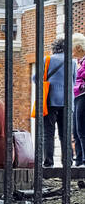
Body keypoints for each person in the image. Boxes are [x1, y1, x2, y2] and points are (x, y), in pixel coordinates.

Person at [41, 36, 71, 167]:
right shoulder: (72, 62)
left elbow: (37, 78)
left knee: (48, 132)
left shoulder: (47, 60)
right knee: (65, 134)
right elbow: (74, 81)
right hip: (67, 102)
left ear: (54, 48)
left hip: (49, 101)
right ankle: (67, 162)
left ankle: (48, 161)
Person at [73, 32, 85, 167]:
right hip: (77, 97)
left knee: (81, 129)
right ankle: (80, 158)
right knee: (76, 130)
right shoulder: (77, 62)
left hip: (83, 96)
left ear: (78, 47)